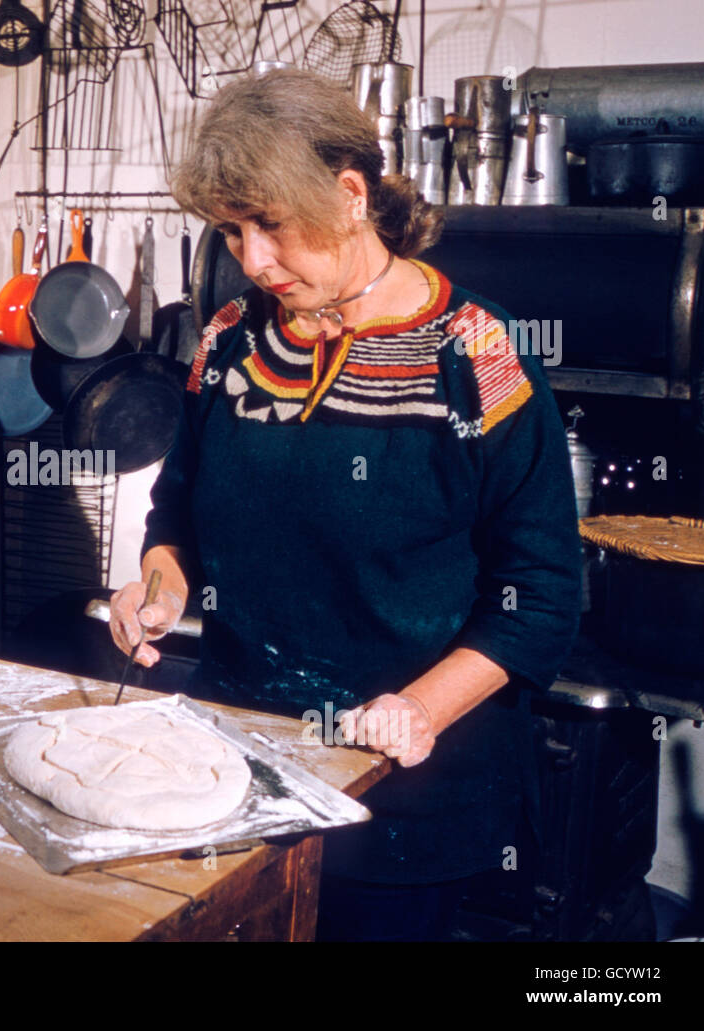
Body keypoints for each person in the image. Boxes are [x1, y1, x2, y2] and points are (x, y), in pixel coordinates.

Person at [109, 70, 581, 941]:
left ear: (350, 194)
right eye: (231, 230)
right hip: (235, 766)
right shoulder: (230, 344)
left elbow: (544, 593)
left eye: (271, 225)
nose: (251, 259)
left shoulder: (477, 355)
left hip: (400, 801)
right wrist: (161, 588)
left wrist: (422, 706)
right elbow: (173, 514)